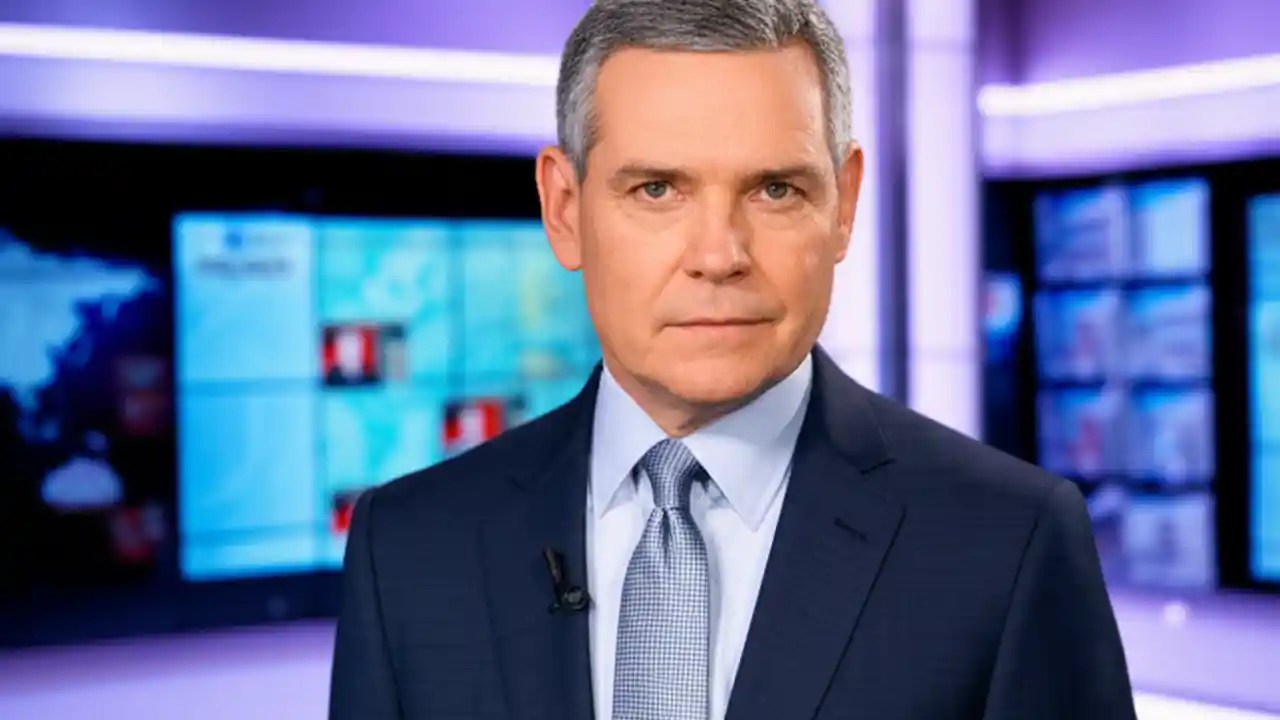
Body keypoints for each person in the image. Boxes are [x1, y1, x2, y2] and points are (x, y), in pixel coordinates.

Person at [328, 1, 1138, 718]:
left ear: (843, 204)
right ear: (565, 209)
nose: (719, 255)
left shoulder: (1008, 544)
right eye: (657, 191)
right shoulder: (406, 549)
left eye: (775, 190)